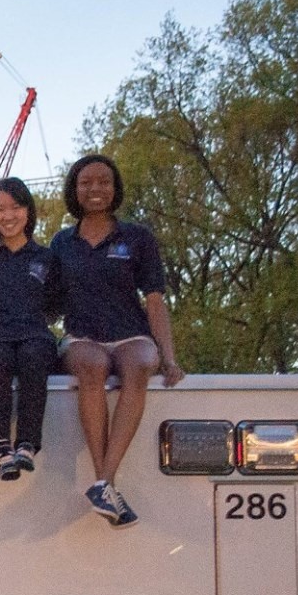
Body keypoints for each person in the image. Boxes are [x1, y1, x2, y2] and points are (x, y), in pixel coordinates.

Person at [49, 153, 186, 527]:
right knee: (92, 367)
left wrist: (169, 357)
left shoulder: (137, 238)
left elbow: (154, 300)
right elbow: (49, 303)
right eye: (86, 183)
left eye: (103, 182)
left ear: (115, 188)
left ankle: (105, 481)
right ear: (74, 190)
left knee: (141, 363)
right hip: (82, 337)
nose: (95, 189)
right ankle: (104, 482)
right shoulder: (62, 243)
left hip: (130, 333)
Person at [0, 178, 59, 481]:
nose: (8, 216)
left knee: (34, 357)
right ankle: (2, 447)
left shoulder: (45, 257)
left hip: (35, 335)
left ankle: (27, 444)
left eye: (15, 207)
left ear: (28, 211)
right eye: (0, 209)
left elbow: (55, 305)